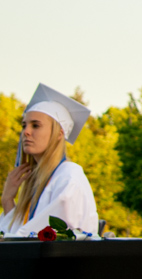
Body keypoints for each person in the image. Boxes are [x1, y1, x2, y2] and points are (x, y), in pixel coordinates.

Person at [0, 84, 98, 237]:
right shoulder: (38, 181)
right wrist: (7, 199)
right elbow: (20, 234)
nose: (26, 132)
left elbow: (33, 237)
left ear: (59, 134)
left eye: (36, 125)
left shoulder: (69, 176)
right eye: (24, 125)